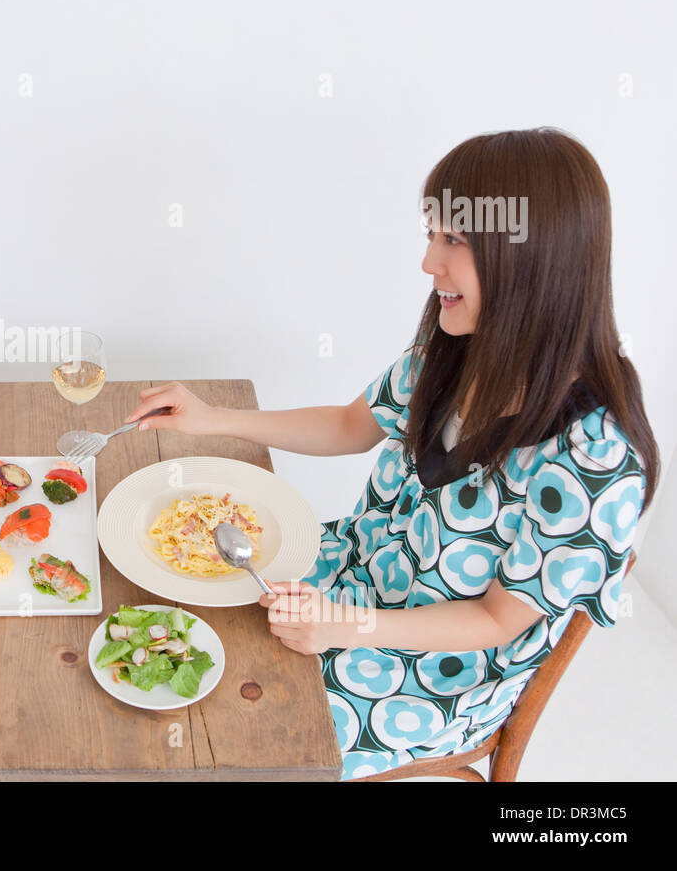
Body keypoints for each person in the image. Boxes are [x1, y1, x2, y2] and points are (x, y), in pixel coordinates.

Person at [124, 127, 659, 779]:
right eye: (431, 234)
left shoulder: (596, 458)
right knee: (166, 623)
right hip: (347, 574)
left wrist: (347, 627)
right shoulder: (459, 348)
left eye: (453, 241)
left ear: (531, 259)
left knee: (241, 740)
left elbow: (495, 618)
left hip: (430, 671)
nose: (429, 262)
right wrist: (213, 419)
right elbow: (354, 424)